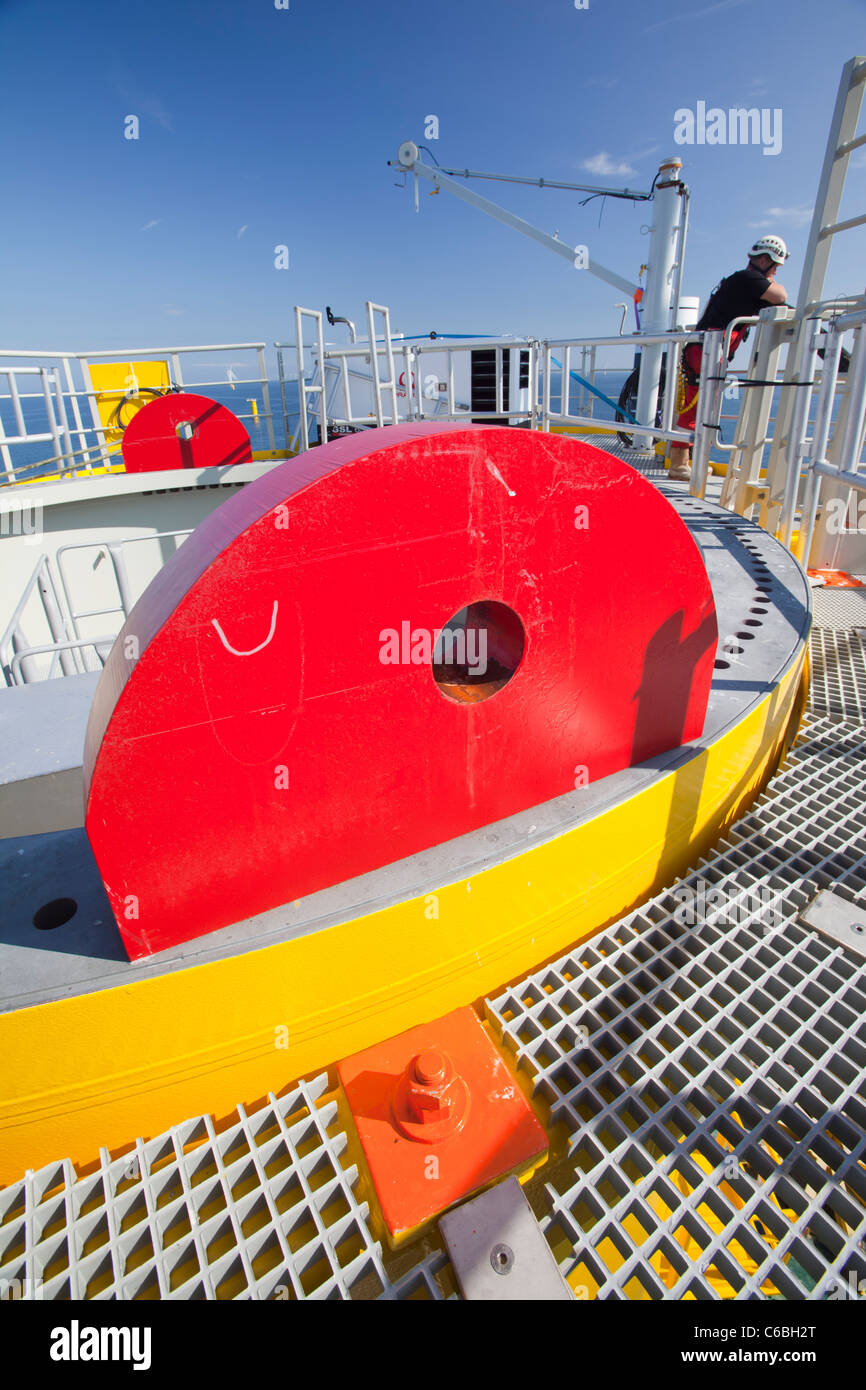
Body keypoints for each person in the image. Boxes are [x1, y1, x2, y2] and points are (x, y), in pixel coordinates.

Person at [668, 235, 789, 481]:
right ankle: (680, 466)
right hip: (707, 351)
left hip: (707, 350)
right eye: (775, 266)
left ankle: (689, 462)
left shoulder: (740, 280)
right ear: (765, 260)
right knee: (696, 408)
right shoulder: (749, 279)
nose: (775, 272)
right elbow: (781, 297)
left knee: (701, 407)